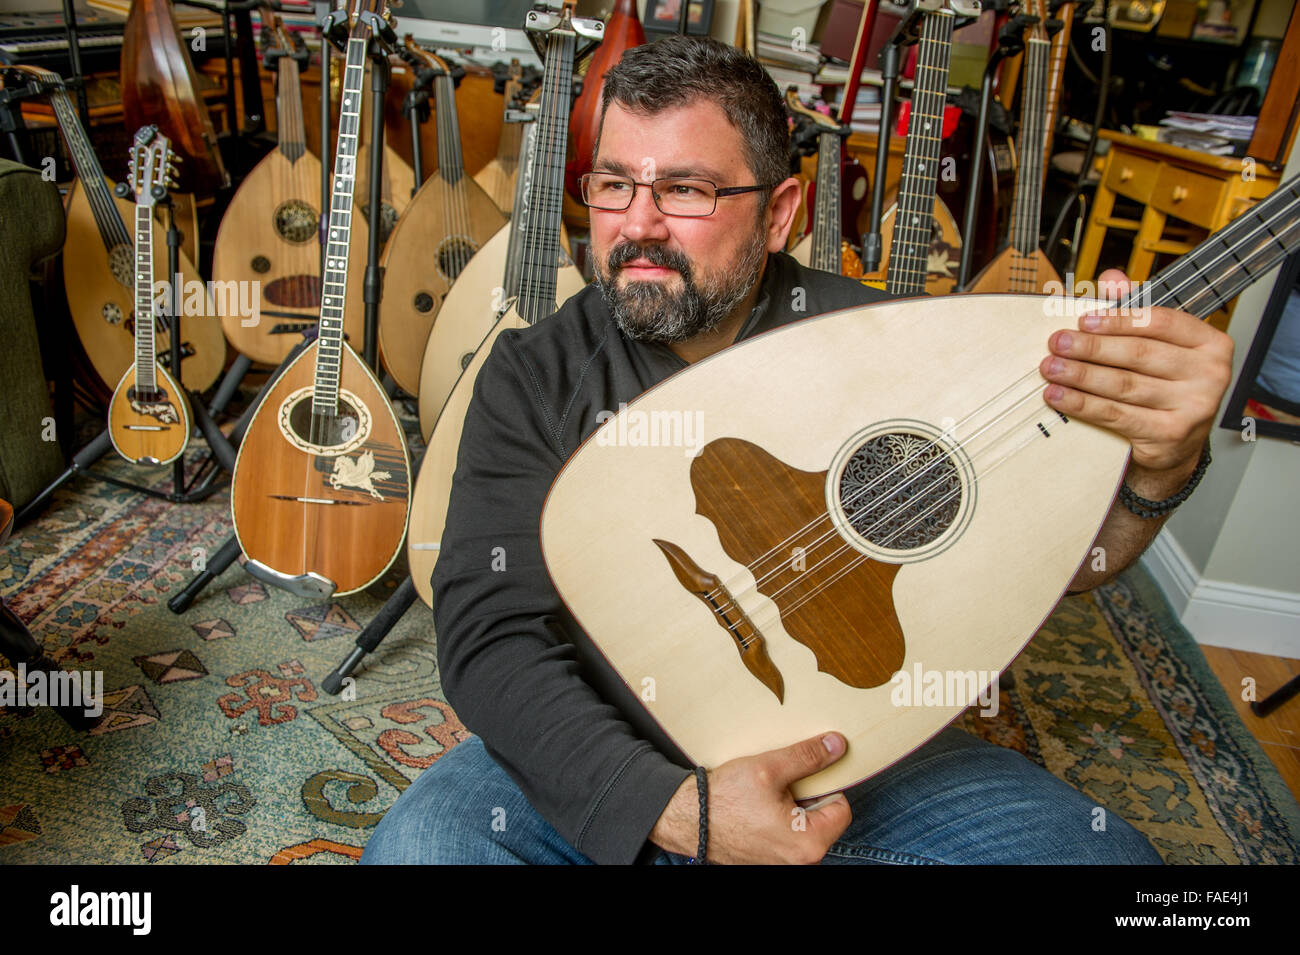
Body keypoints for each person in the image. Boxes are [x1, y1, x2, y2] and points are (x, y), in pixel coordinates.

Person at [361, 36, 1232, 865]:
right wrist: (674, 813)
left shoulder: (886, 343)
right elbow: (489, 634)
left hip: (840, 752)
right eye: (615, 185)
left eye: (689, 191)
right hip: (601, 728)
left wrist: (1157, 467)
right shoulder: (533, 372)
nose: (639, 225)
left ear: (779, 214)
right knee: (420, 848)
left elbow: (1071, 562)